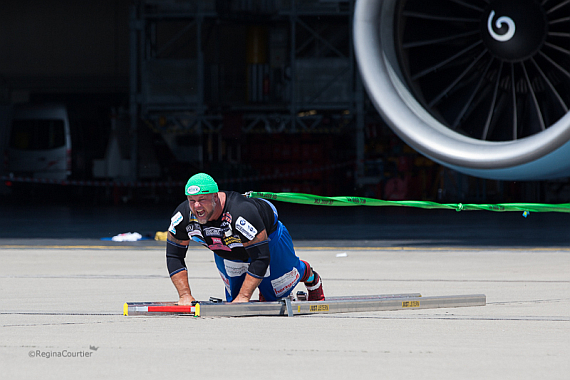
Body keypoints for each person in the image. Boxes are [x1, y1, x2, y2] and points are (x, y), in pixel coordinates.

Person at [166, 173, 325, 304]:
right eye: (192, 201)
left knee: (273, 295)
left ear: (215, 197)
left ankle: (308, 273)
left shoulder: (241, 213)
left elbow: (261, 257)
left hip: (269, 242)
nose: (197, 207)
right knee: (233, 300)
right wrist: (184, 295)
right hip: (228, 250)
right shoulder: (183, 216)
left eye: (202, 200)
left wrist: (244, 297)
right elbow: (174, 255)